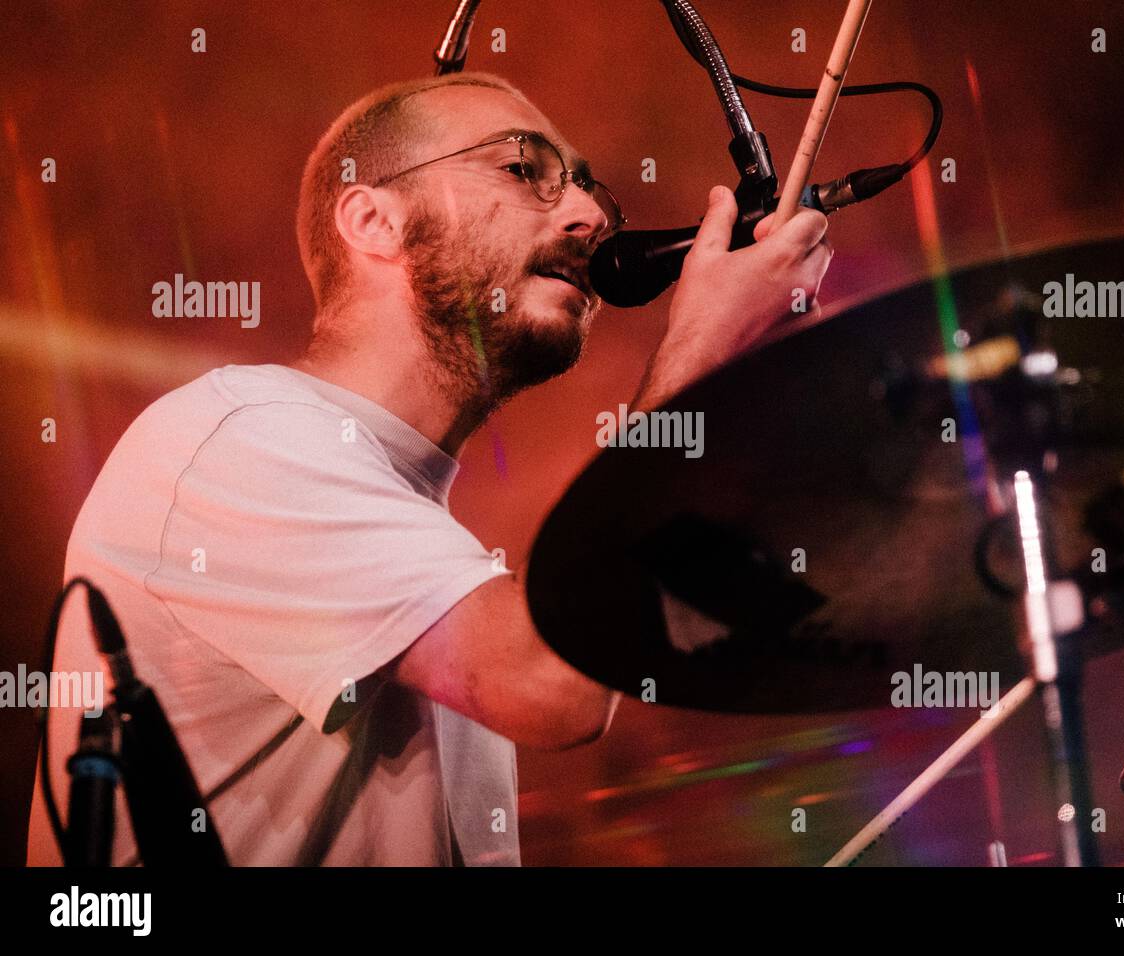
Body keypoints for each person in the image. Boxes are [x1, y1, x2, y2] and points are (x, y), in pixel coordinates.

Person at [28, 71, 832, 866]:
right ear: (372, 218)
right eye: (526, 170)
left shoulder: (422, 533)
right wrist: (701, 352)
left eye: (592, 189)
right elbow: (555, 683)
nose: (590, 214)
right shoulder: (235, 438)